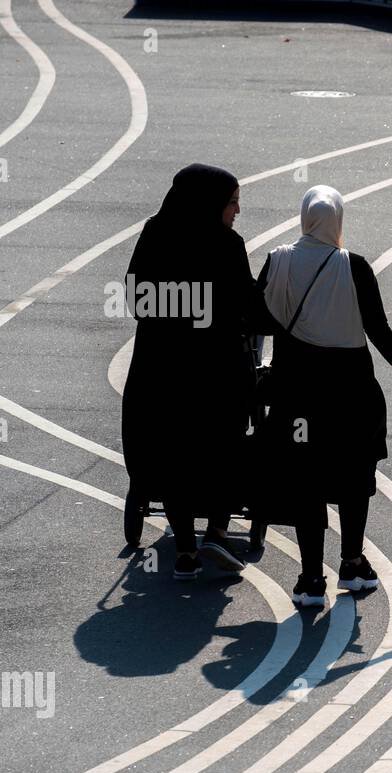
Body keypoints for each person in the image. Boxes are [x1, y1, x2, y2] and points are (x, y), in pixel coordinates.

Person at [258, 184, 392, 607]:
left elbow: (255, 317)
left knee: (305, 483)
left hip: (296, 394)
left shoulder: (277, 262)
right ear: (337, 221)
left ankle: (310, 579)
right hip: (351, 393)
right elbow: (378, 330)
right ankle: (352, 563)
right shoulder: (352, 267)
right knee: (355, 478)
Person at [121, 163, 282, 581]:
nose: (237, 211)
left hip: (162, 370)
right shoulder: (226, 245)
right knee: (227, 445)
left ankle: (187, 551)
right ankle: (216, 530)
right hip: (218, 371)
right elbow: (245, 308)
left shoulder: (155, 235)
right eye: (232, 202)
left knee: (172, 453)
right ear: (212, 203)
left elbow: (140, 298)